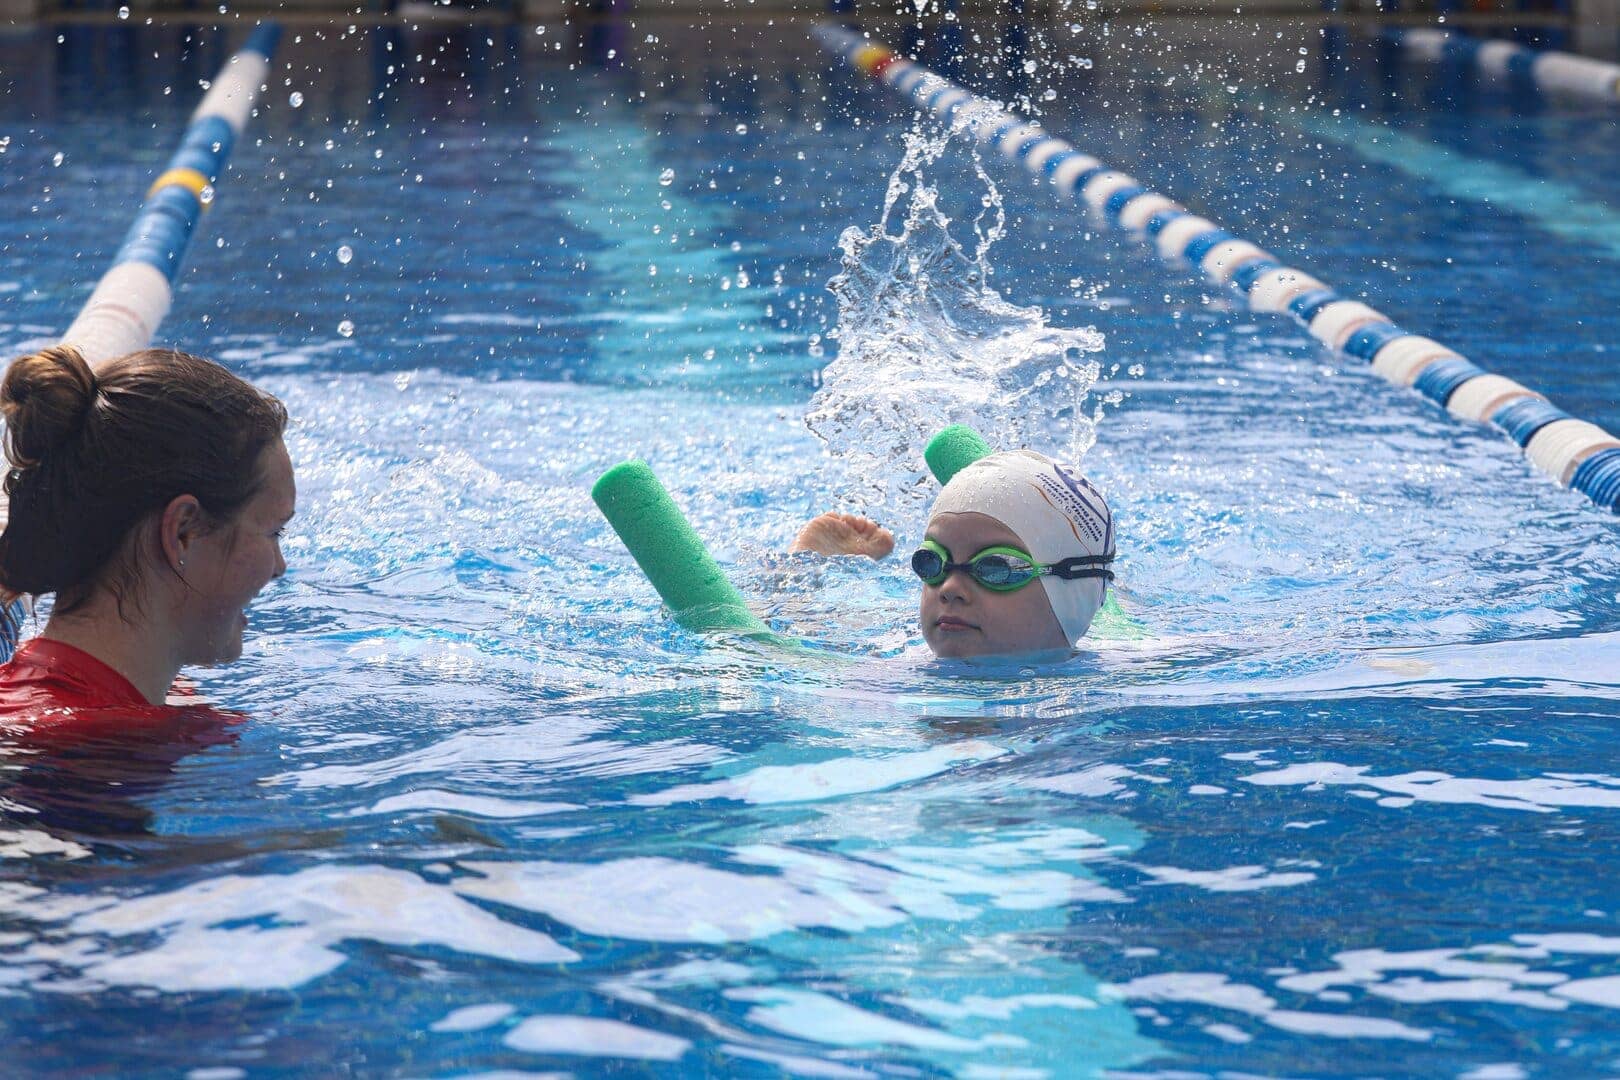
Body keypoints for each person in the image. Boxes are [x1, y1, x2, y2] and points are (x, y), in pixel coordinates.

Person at [0, 344, 294, 727]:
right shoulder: (83, 742)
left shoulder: (162, 700)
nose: (280, 568)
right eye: (272, 532)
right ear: (183, 532)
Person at [792, 450, 1114, 661]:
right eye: (932, 562)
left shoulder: (1115, 683)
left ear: (1071, 597)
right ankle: (811, 579)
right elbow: (774, 650)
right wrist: (795, 573)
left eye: (995, 568)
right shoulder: (895, 662)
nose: (948, 589)